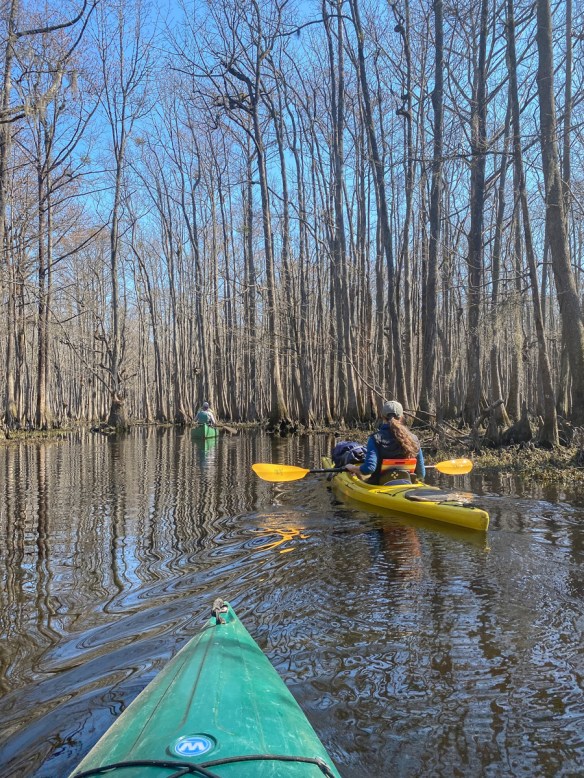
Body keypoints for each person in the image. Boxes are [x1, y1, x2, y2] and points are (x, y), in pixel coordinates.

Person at [345, 400, 425, 485]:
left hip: (380, 485)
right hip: (407, 484)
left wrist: (352, 468)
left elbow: (369, 469)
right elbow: (421, 474)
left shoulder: (375, 438)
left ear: (383, 417)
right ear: (401, 417)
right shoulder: (413, 438)